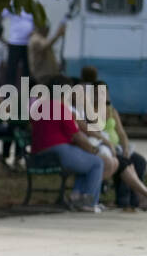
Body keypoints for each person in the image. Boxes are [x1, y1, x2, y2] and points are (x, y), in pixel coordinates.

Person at [77, 67, 147, 210]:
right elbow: (94, 129)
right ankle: (143, 197)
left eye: (104, 93)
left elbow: (121, 133)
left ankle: (136, 199)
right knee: (125, 163)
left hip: (117, 148)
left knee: (139, 161)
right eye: (98, 94)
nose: (102, 97)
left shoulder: (112, 110)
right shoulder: (88, 110)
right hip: (105, 149)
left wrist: (126, 147)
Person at [29, 73, 104, 212]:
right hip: (59, 152)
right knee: (96, 163)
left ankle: (77, 198)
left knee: (85, 162)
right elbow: (77, 136)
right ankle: (89, 203)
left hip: (39, 153)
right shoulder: (61, 108)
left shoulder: (39, 107)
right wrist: (93, 149)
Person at [27, 12, 66, 81]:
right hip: (42, 76)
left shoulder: (42, 39)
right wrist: (58, 34)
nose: (48, 31)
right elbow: (45, 45)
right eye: (47, 29)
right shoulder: (35, 39)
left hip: (49, 75)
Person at [2, 8, 34, 88]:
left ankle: (26, 93)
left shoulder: (31, 8)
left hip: (27, 43)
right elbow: (1, 16)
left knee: (27, 71)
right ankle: (9, 93)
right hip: (14, 42)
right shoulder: (13, 6)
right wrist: (0, 35)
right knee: (11, 69)